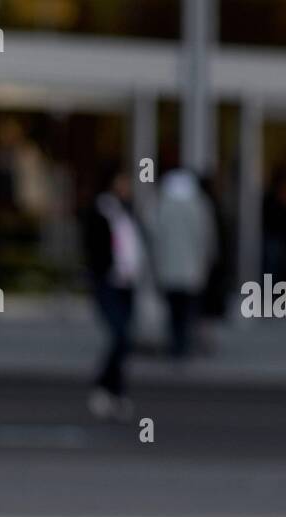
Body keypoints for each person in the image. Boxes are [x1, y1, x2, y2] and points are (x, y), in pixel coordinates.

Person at [81, 165, 145, 420]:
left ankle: (115, 392)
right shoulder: (100, 210)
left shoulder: (126, 212)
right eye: (123, 181)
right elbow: (94, 246)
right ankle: (103, 388)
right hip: (108, 282)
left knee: (125, 340)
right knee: (121, 336)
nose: (127, 187)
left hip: (126, 283)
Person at [152, 168, 217, 358]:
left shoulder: (162, 205)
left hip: (168, 269)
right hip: (192, 269)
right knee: (188, 310)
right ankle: (184, 345)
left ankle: (176, 344)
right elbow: (207, 238)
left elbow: (155, 235)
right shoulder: (199, 206)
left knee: (173, 311)